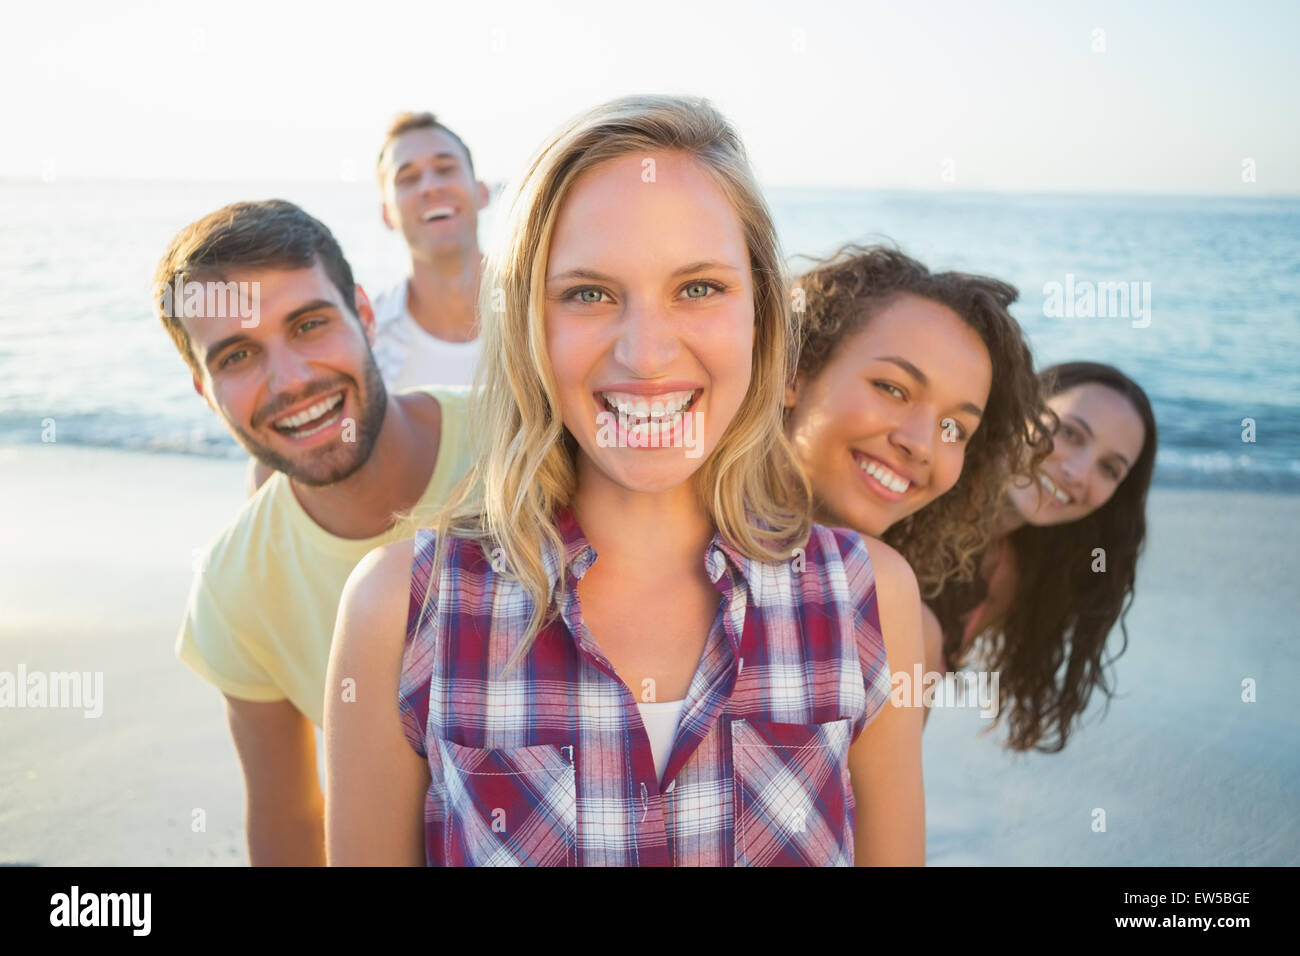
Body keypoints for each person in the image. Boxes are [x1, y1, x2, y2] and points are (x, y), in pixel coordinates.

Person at [325, 95, 926, 866]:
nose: (647, 353)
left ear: (761, 314)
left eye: (699, 288)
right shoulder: (401, 611)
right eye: (588, 293)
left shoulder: (867, 597)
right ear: (527, 326)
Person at [152, 199, 476, 864]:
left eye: (308, 324)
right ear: (203, 389)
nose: (291, 380)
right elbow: (289, 818)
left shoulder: (521, 443)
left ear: (363, 313)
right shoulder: (232, 588)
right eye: (238, 355)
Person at [783, 244, 1050, 687]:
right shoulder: (657, 542)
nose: (922, 445)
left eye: (955, 428)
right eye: (892, 388)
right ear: (793, 371)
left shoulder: (904, 630)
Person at [927, 361, 1157, 752]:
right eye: (1070, 432)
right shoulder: (911, 490)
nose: (1078, 472)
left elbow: (904, 719)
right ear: (1024, 406)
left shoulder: (1006, 577)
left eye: (1109, 469)